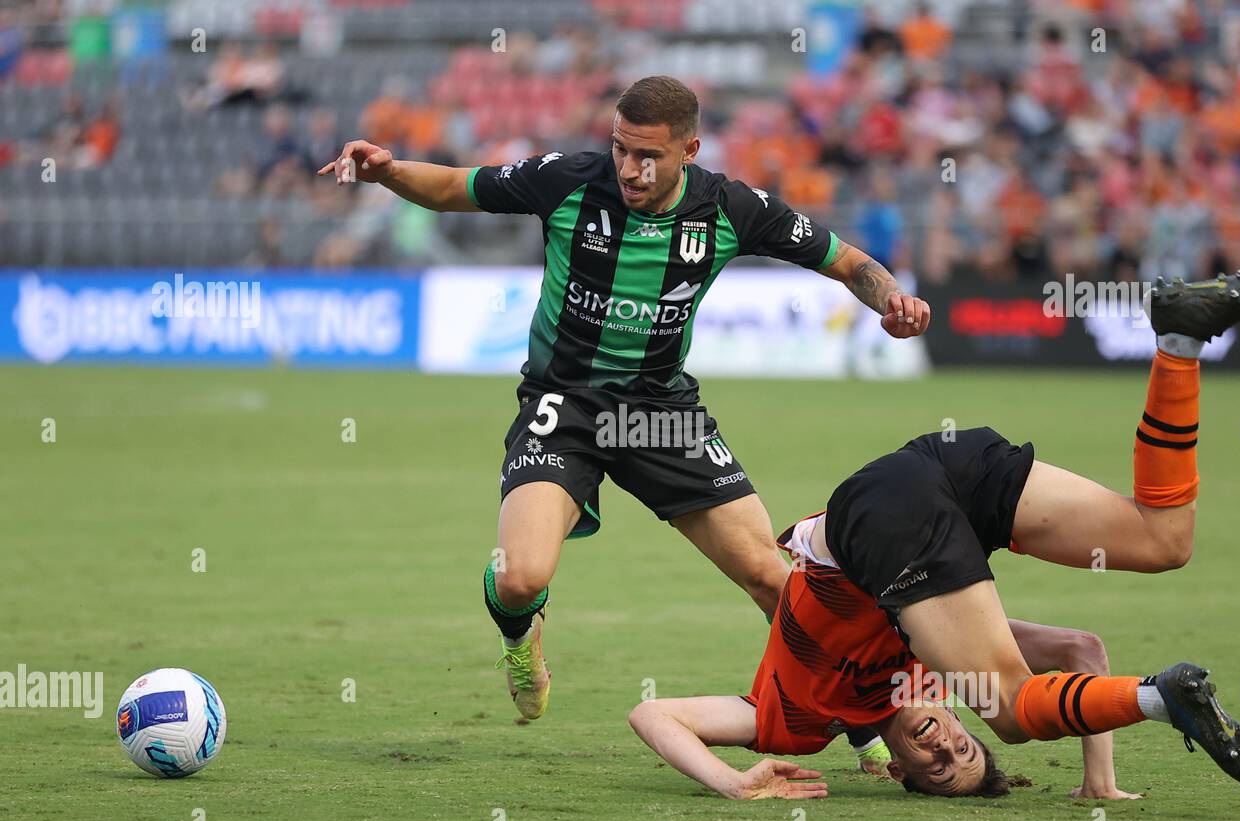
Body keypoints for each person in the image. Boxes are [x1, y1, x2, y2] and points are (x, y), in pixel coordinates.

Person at [318, 75, 931, 720]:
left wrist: (889, 298)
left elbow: (845, 260)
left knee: (772, 578)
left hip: (660, 415)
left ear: (689, 151)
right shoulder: (569, 181)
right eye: (620, 149)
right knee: (521, 577)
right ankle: (520, 637)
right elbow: (450, 190)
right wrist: (386, 171)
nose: (630, 169)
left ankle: (859, 714)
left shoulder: (732, 208)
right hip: (565, 408)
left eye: (649, 156)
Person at [631, 272, 1240, 798]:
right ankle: (1179, 343)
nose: (944, 744)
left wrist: (735, 782)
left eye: (938, 764)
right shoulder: (945, 648)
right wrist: (1099, 786)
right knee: (1164, 541)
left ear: (897, 770)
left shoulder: (802, 721)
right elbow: (1081, 649)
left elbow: (653, 714)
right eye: (963, 749)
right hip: (946, 472)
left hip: (877, 515)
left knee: (1006, 707)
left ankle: (1163, 701)